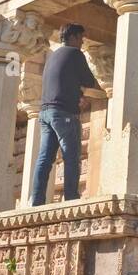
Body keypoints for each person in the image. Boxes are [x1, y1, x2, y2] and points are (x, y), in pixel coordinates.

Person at [31, 23, 102, 206]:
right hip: (64, 113)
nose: (82, 42)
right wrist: (109, 90)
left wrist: (78, 95)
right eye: (80, 38)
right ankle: (71, 198)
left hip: (46, 113)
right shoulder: (74, 54)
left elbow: (63, 83)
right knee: (71, 155)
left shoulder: (53, 56)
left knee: (45, 158)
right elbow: (89, 81)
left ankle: (37, 200)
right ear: (72, 37)